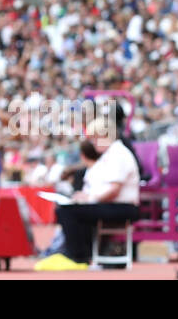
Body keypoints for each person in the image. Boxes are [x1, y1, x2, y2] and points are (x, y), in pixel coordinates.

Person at [36, 108, 141, 270]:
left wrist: (90, 199)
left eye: (94, 139)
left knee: (69, 211)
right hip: (111, 203)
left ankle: (77, 256)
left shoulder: (119, 154)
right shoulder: (108, 155)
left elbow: (114, 190)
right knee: (71, 208)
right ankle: (81, 254)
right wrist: (84, 197)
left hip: (123, 207)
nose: (93, 143)